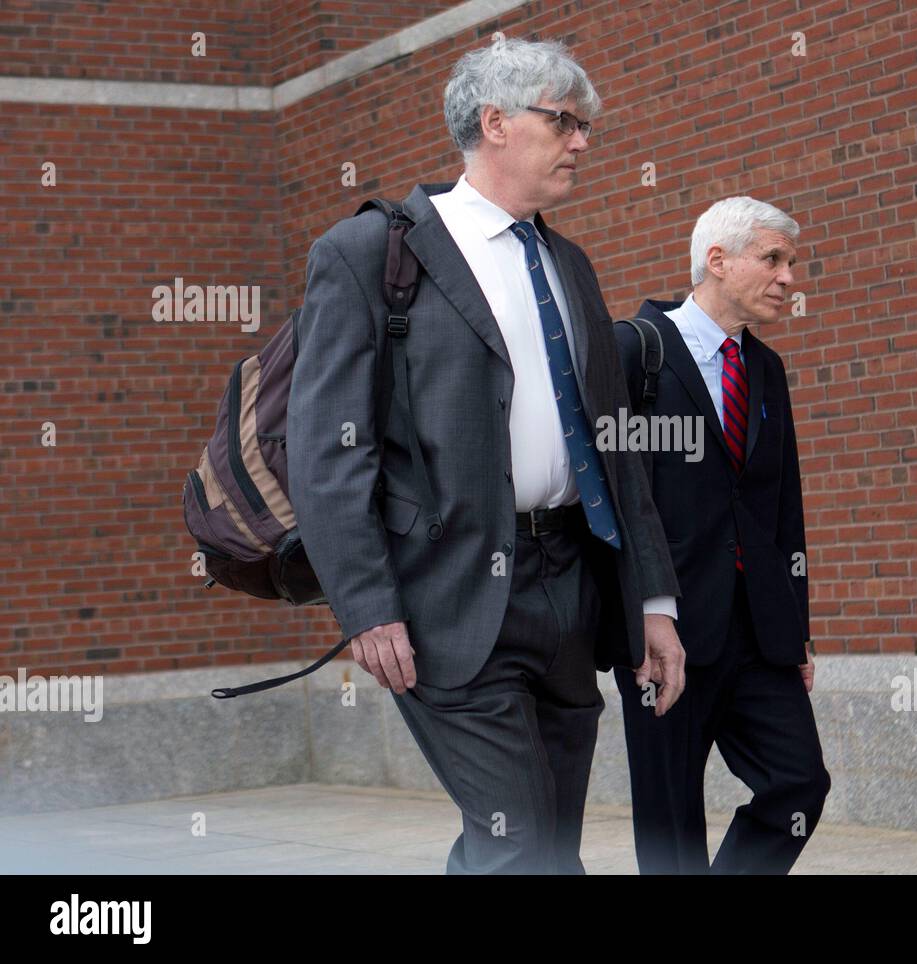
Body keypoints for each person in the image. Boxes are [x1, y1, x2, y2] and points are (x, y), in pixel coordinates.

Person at [287, 37, 685, 874]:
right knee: (522, 846)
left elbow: (618, 449)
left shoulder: (569, 264)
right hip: (450, 596)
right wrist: (366, 603)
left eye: (586, 126)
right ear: (495, 122)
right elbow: (328, 450)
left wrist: (653, 599)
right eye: (564, 122)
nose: (582, 142)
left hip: (571, 586)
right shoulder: (370, 254)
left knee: (539, 845)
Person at [614, 196, 830, 874]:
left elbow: (783, 509)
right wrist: (646, 609)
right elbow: (616, 497)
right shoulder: (635, 351)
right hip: (668, 626)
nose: (788, 277)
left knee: (799, 783)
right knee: (671, 818)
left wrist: (795, 628)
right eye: (772, 259)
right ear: (717, 260)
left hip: (759, 631)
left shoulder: (766, 369)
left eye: (791, 263)